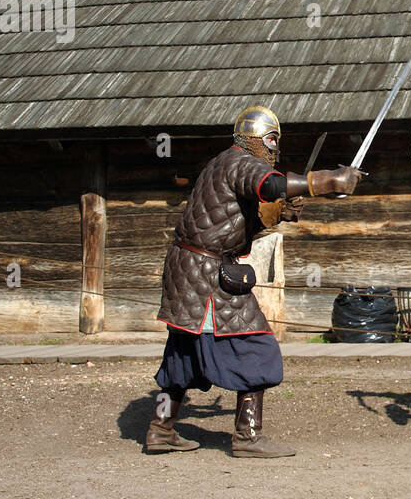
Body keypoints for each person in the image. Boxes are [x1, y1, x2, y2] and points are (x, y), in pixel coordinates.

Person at [145, 105, 360, 457]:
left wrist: (275, 215)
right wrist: (327, 181)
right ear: (254, 140)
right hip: (208, 273)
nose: (274, 148)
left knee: (183, 351)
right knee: (256, 345)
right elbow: (270, 184)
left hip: (188, 268)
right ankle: (248, 437)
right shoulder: (241, 162)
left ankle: (161, 428)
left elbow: (227, 222)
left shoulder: (221, 162)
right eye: (271, 140)